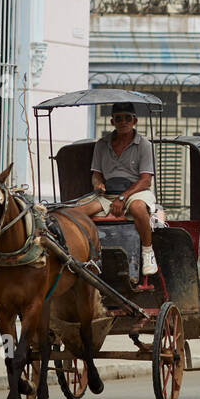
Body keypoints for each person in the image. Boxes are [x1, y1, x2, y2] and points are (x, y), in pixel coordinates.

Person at [87, 102, 159, 275]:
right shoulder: (101, 144)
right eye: (118, 118)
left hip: (136, 192)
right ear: (112, 122)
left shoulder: (144, 145)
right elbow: (96, 174)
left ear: (134, 120)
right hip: (107, 194)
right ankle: (82, 253)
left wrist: (123, 197)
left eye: (127, 118)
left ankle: (148, 252)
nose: (123, 122)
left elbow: (145, 181)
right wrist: (98, 184)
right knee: (77, 211)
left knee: (138, 208)